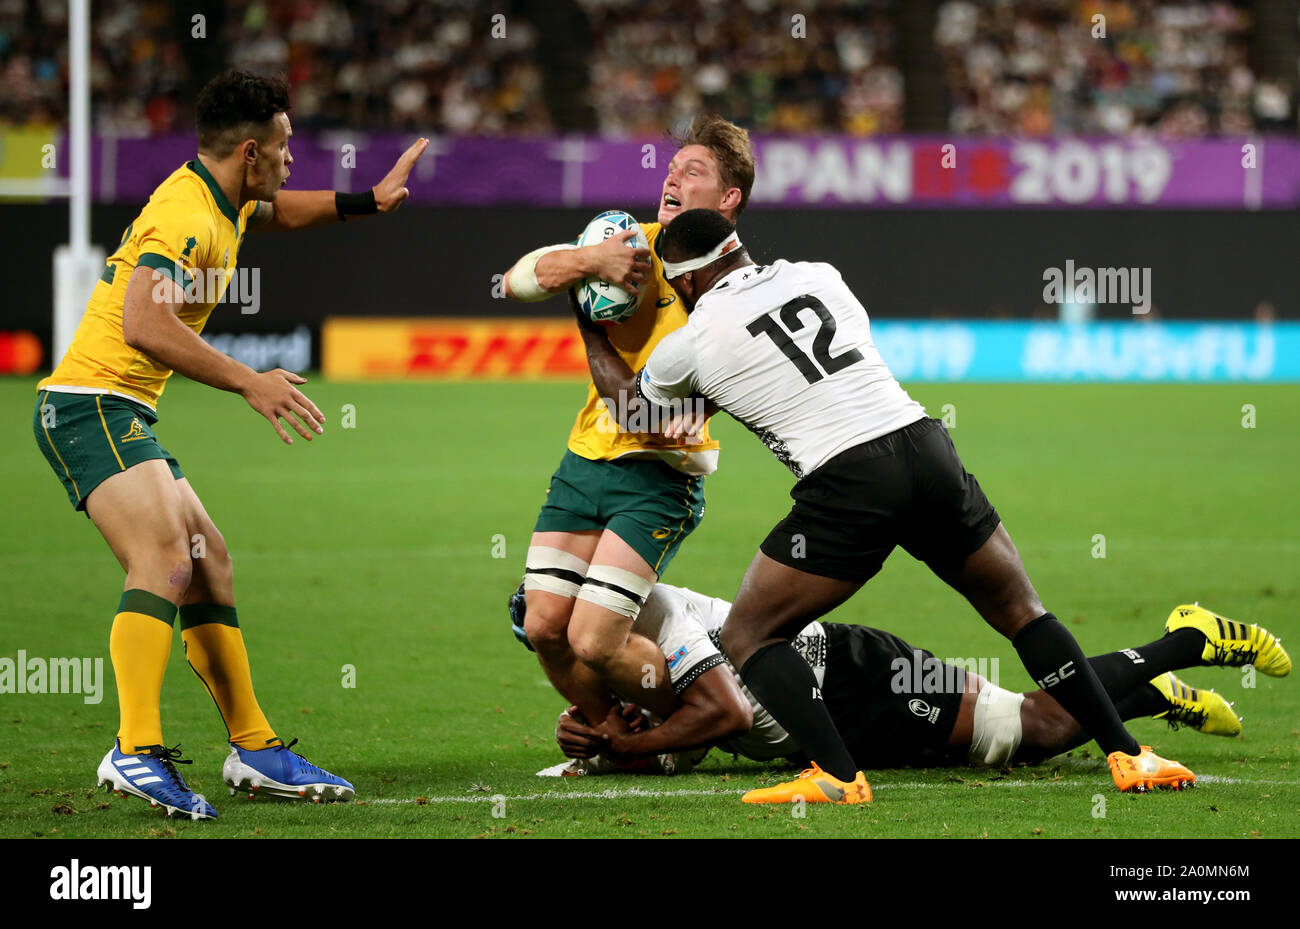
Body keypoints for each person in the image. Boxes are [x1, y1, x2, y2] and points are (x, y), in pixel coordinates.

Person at [570, 208, 1285, 800]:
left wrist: (593, 328)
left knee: (751, 635)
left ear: (687, 278)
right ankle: (1133, 757)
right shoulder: (821, 275)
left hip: (848, 479)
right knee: (1023, 613)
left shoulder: (686, 345)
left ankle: (837, 775)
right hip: (923, 445)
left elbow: (640, 415)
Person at [32, 69, 428, 820]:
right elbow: (144, 324)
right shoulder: (186, 215)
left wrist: (366, 202)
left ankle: (252, 747)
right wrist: (250, 381)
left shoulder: (223, 197)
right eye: (282, 147)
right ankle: (134, 747)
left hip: (120, 410)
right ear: (250, 151)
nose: (290, 161)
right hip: (88, 406)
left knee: (208, 560)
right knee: (168, 559)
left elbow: (275, 214)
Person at [499, 115, 753, 737]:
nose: (672, 178)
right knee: (542, 624)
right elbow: (511, 282)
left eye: (692, 171)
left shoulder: (733, 291)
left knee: (593, 639)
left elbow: (641, 414)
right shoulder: (628, 241)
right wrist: (588, 258)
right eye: (671, 168)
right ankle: (614, 734)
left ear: (727, 200)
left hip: (658, 478)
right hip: (585, 464)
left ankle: (697, 722)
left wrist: (587, 324)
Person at [518, 585, 1287, 785]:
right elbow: (677, 748)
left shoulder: (657, 606)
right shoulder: (611, 653)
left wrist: (627, 742)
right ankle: (1152, 696)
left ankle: (1185, 638)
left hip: (859, 676)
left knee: (1037, 726)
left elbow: (715, 713)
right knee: (1037, 736)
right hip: (833, 735)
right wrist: (601, 740)